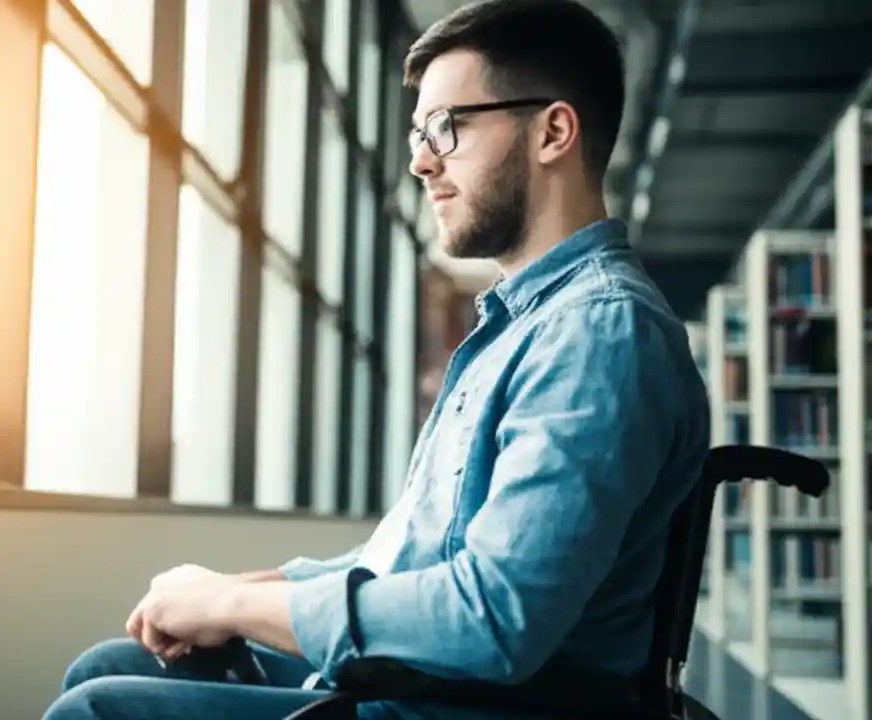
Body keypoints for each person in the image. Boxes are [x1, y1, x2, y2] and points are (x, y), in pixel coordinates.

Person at [44, 0, 709, 717]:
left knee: (99, 710)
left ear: (553, 131)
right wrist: (239, 593)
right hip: (446, 685)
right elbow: (415, 557)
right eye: (420, 133)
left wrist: (235, 603)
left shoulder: (597, 334)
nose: (422, 160)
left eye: (448, 128)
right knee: (112, 664)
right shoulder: (527, 324)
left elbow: (493, 619)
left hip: (486, 704)